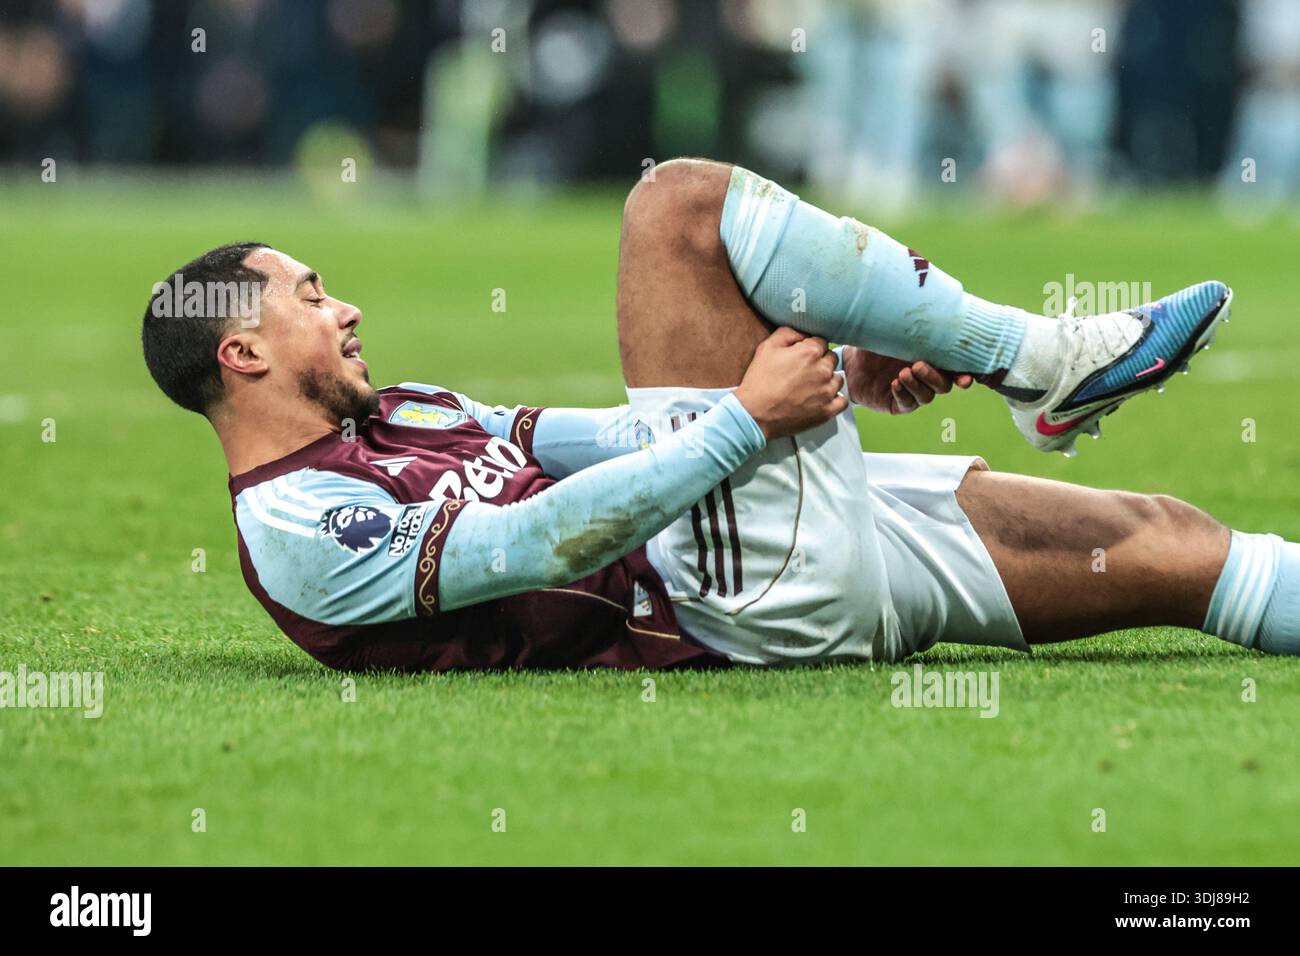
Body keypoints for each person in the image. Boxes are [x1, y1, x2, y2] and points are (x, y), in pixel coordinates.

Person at [140, 159, 1296, 672]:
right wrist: (745, 423)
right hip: (712, 594)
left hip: (754, 540)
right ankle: (1038, 362)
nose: (342, 307)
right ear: (240, 350)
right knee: (674, 210)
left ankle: (1043, 383)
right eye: (307, 296)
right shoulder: (296, 526)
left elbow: (590, 440)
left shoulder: (402, 409)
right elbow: (540, 542)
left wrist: (835, 374)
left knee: (1168, 542)